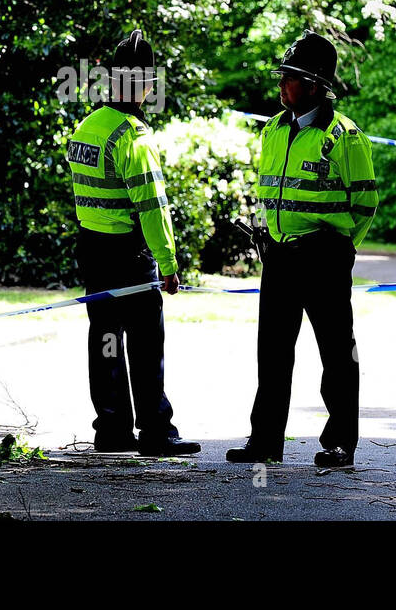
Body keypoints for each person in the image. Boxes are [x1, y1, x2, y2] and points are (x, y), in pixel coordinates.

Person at [226, 30, 379, 468]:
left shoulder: (344, 137)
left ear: (313, 84)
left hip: (324, 256)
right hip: (277, 253)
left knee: (336, 352)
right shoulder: (274, 129)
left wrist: (341, 247)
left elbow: (365, 203)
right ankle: (265, 441)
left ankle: (339, 443)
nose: (281, 85)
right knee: (272, 352)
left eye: (289, 77)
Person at [64, 30, 201, 456]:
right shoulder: (134, 138)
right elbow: (153, 207)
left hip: (92, 246)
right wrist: (167, 263)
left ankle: (112, 429)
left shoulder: (87, 126)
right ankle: (156, 433)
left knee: (104, 339)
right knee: (145, 343)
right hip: (129, 250)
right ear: (146, 85)